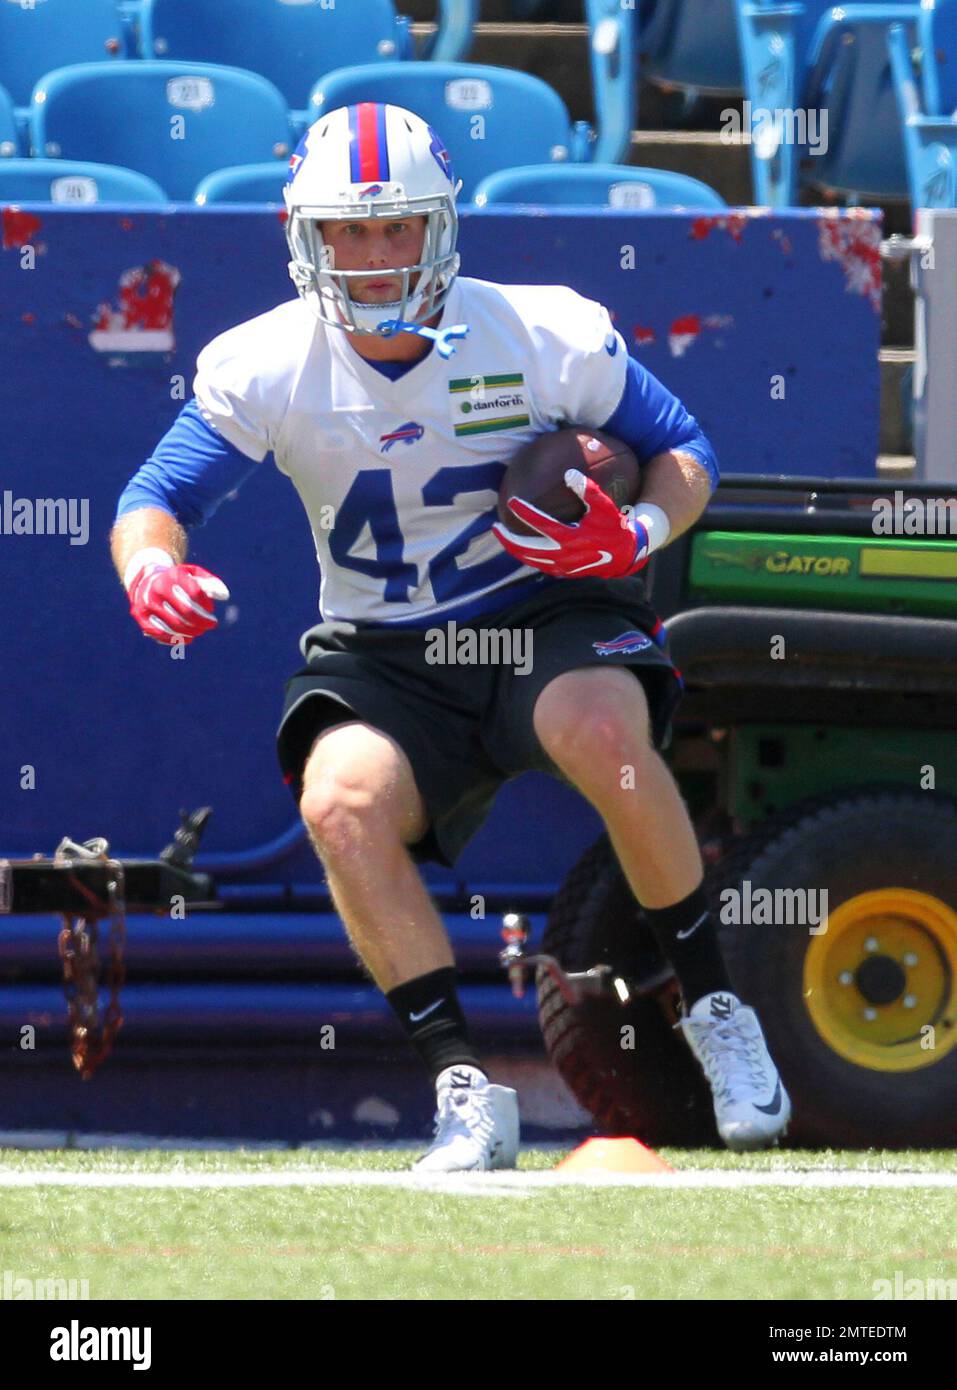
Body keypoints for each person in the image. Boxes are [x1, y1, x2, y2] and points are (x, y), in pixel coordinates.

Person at [110, 102, 791, 1171]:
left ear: (442, 227)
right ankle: (463, 1089)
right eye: (349, 229)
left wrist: (641, 531)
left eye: (397, 229)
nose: (375, 256)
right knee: (338, 801)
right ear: (303, 232)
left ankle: (715, 1009)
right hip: (384, 649)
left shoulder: (541, 329)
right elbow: (154, 498)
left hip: (543, 609)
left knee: (606, 733)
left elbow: (685, 449)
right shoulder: (266, 361)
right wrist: (151, 567)